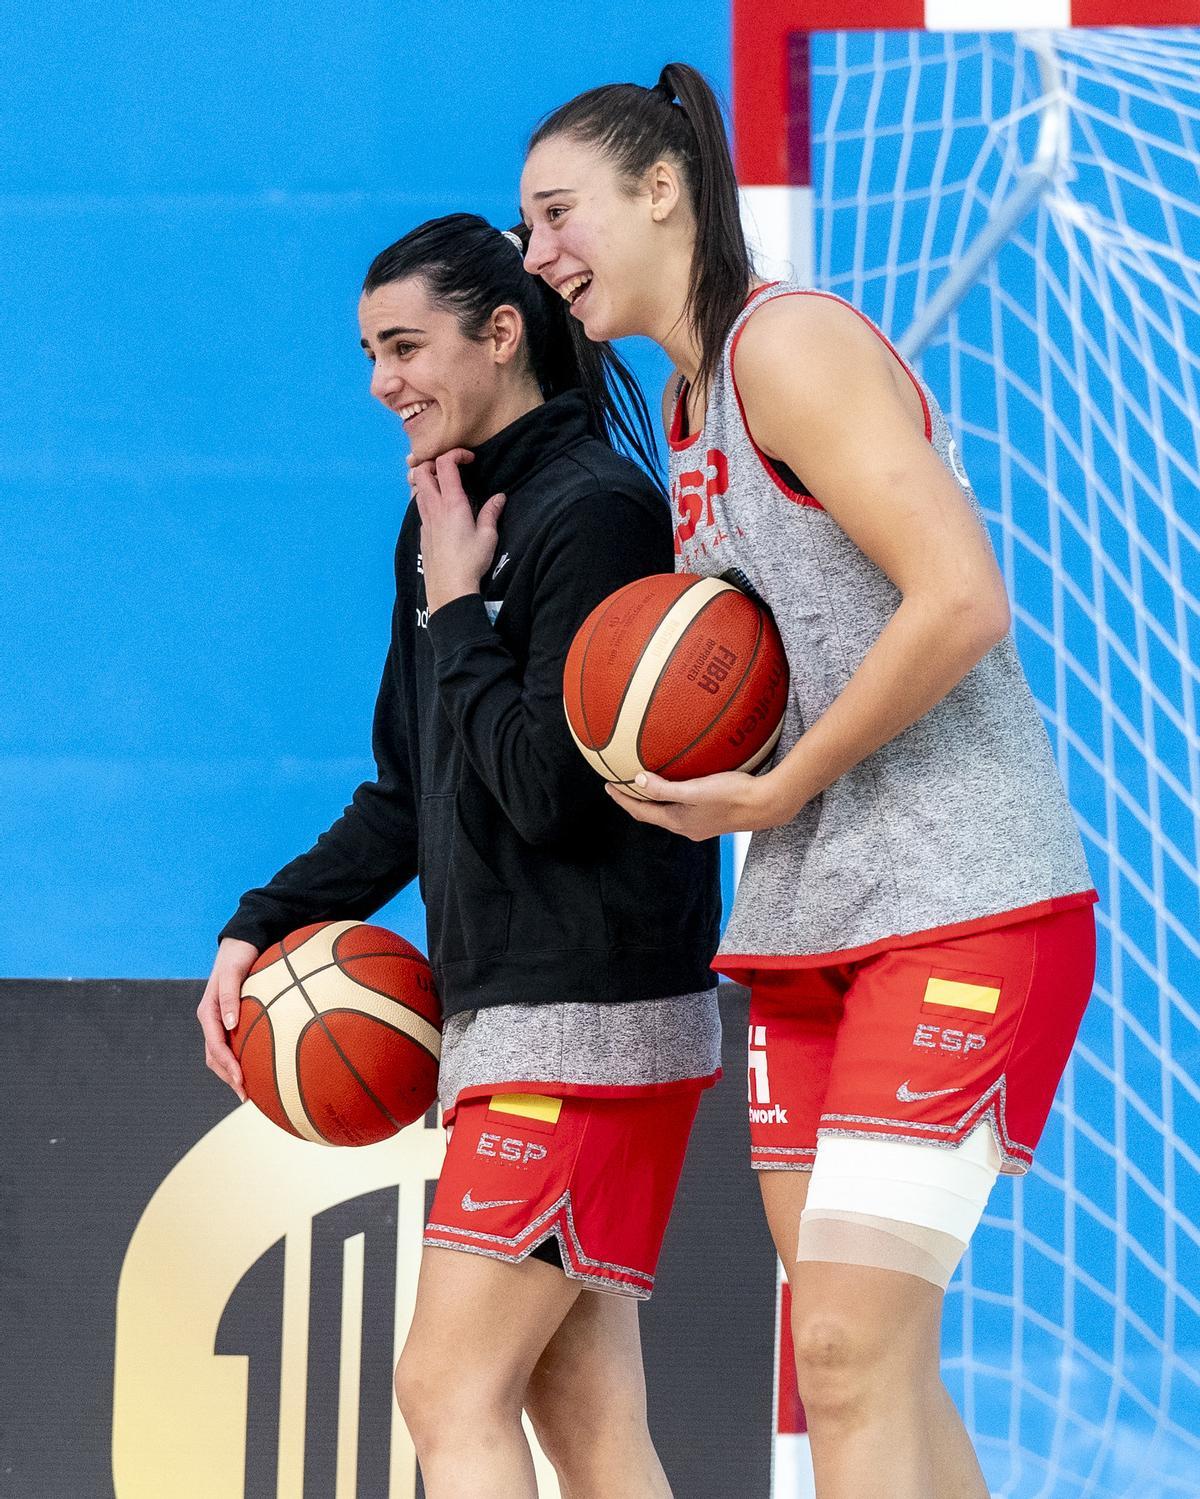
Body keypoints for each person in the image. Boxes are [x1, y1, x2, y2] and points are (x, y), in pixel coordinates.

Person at [520, 65, 1097, 1499]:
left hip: (961, 886)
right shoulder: (687, 400)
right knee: (865, 1361)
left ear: (664, 188)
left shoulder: (788, 343)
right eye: (527, 229)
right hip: (811, 916)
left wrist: (781, 788)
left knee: (843, 1352)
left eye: (557, 213)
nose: (538, 255)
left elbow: (962, 598)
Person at [195, 212, 722, 1499]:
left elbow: (548, 792)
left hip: (587, 1018)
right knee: (584, 1411)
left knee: (446, 1386)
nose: (383, 381)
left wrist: (456, 601)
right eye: (370, 353)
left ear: (499, 333)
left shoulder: (596, 511)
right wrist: (259, 921)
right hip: (518, 1016)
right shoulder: (442, 516)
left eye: (405, 345)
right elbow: (409, 792)